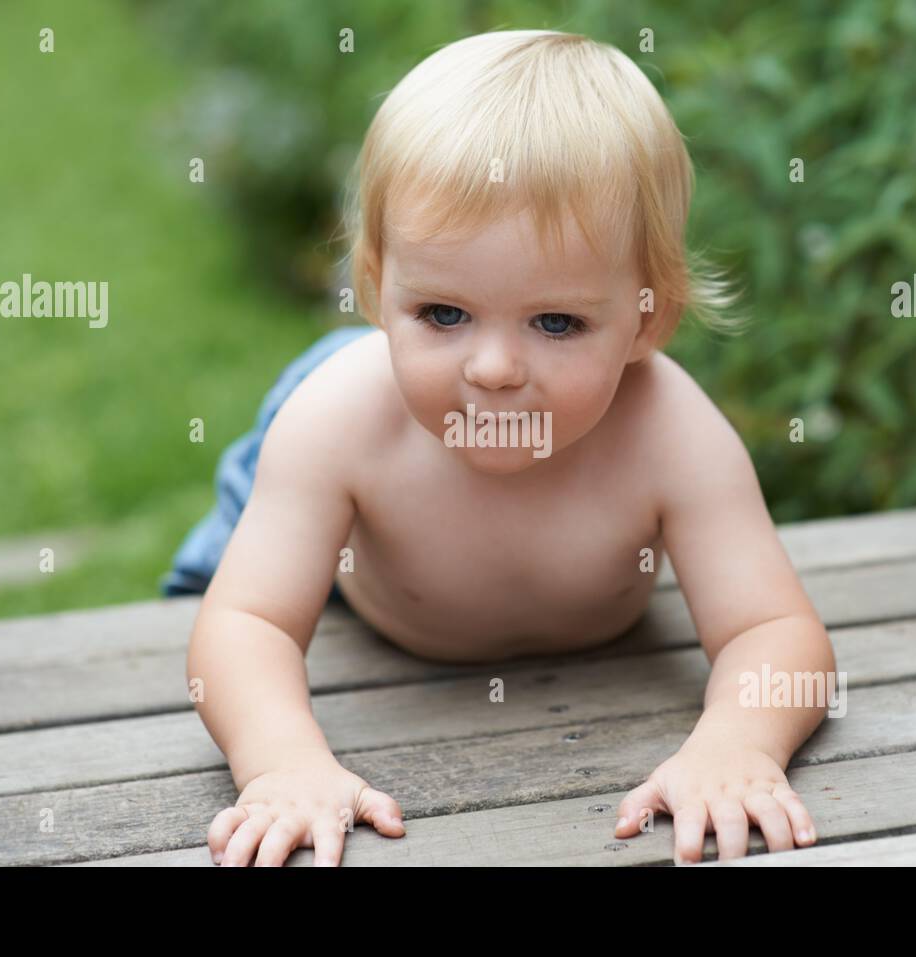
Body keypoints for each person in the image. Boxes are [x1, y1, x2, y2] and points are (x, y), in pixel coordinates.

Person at [175, 29, 836, 867]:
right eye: (443, 312)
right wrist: (283, 763)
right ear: (378, 291)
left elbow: (778, 631)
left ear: (647, 319)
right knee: (241, 556)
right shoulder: (339, 424)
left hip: (402, 406)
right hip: (352, 437)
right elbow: (245, 624)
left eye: (556, 321)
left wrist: (738, 746)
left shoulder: (671, 429)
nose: (492, 369)